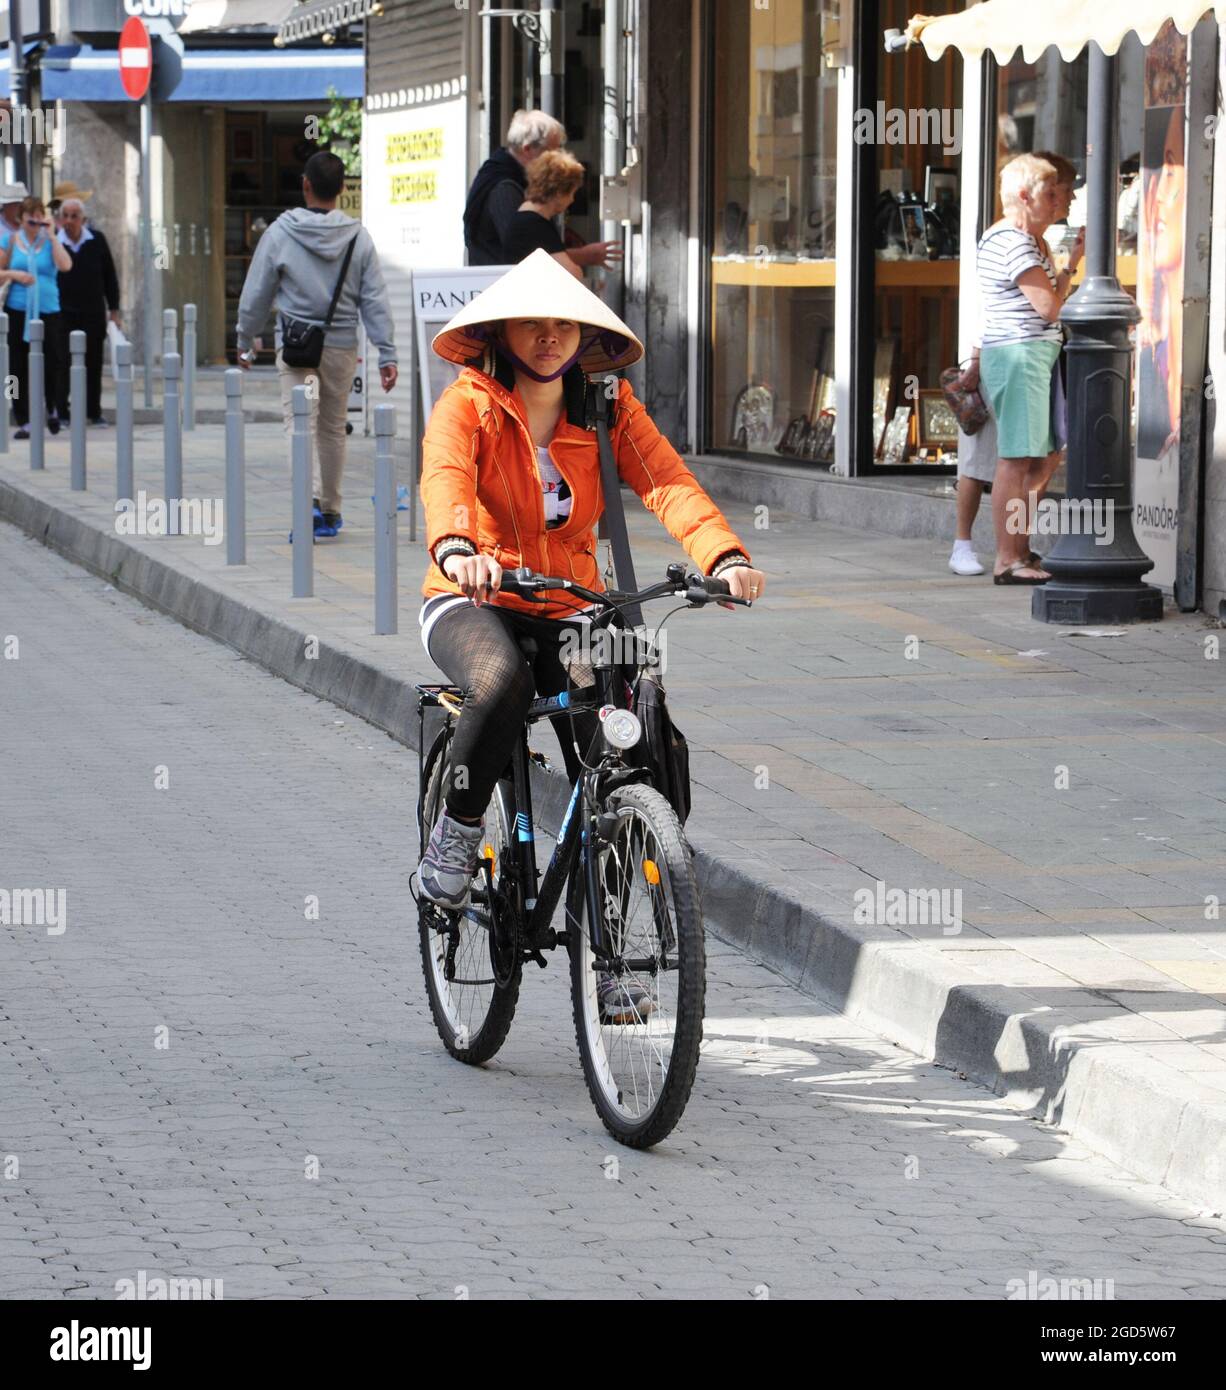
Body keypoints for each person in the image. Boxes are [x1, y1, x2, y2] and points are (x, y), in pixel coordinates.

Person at [417, 251, 765, 1014]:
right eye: (532, 323)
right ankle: (455, 833)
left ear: (584, 334)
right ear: (501, 331)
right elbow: (443, 476)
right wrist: (457, 547)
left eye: (562, 324)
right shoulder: (469, 403)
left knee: (626, 749)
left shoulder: (607, 406)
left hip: (572, 604)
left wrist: (722, 555)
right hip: (475, 595)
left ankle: (611, 948)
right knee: (501, 683)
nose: (548, 337)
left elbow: (666, 480)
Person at [236, 151, 398, 539]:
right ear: (342, 189)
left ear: (305, 185)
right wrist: (386, 352)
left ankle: (304, 506)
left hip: (295, 350)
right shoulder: (358, 238)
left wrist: (245, 339)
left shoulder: (280, 232)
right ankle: (330, 510)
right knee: (330, 427)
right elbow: (374, 298)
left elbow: (257, 292)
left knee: (299, 425)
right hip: (340, 350)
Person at [951, 151, 1083, 578]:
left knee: (1032, 457)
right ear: (1025, 196)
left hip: (1030, 355)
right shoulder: (1012, 241)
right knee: (1016, 458)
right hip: (1019, 355)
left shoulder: (1031, 241)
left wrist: (1072, 265)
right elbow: (1047, 306)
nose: (1061, 201)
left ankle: (1020, 552)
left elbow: (1049, 297)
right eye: (1051, 193)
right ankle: (1008, 557)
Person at [463, 108, 621, 271]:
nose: (557, 157)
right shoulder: (504, 189)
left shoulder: (508, 179)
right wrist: (585, 255)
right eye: (551, 150)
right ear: (527, 149)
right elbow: (524, 254)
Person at [0, 197, 73, 441]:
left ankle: (52, 407)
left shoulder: (51, 241)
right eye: (31, 217)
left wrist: (52, 236)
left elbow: (65, 266)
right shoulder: (9, 240)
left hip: (48, 310)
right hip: (18, 310)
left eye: (39, 217)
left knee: (54, 362)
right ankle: (23, 419)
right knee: (16, 368)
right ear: (21, 219)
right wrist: (14, 274)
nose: (35, 222)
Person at [55, 197, 121, 427]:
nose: (70, 221)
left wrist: (114, 310)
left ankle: (93, 411)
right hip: (62, 312)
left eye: (75, 216)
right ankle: (61, 411)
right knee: (62, 362)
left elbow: (110, 277)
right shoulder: (55, 242)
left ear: (83, 219)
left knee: (93, 363)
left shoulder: (96, 240)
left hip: (92, 311)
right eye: (66, 216)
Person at [501, 149, 586, 278]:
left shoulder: (527, 218)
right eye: (572, 193)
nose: (572, 200)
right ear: (559, 192)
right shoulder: (534, 224)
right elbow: (571, 273)